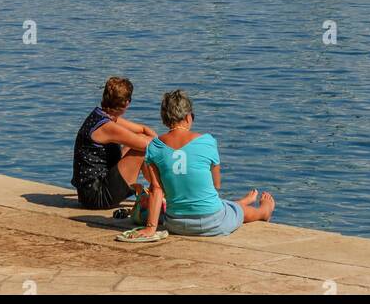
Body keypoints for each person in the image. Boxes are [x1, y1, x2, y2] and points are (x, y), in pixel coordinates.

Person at [132, 89, 274, 239]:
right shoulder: (207, 141)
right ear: (188, 117)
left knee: (214, 202)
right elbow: (216, 185)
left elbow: (156, 190)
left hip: (175, 223)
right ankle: (263, 211)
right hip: (212, 222)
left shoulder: (154, 147)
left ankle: (239, 203)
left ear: (164, 119)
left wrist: (150, 228)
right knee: (238, 211)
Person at [71, 76, 157, 211]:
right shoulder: (107, 127)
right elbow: (146, 145)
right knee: (141, 149)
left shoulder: (100, 116)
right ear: (127, 102)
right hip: (95, 197)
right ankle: (160, 191)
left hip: (90, 191)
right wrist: (167, 142)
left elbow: (143, 130)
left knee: (140, 141)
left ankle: (157, 190)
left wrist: (153, 137)